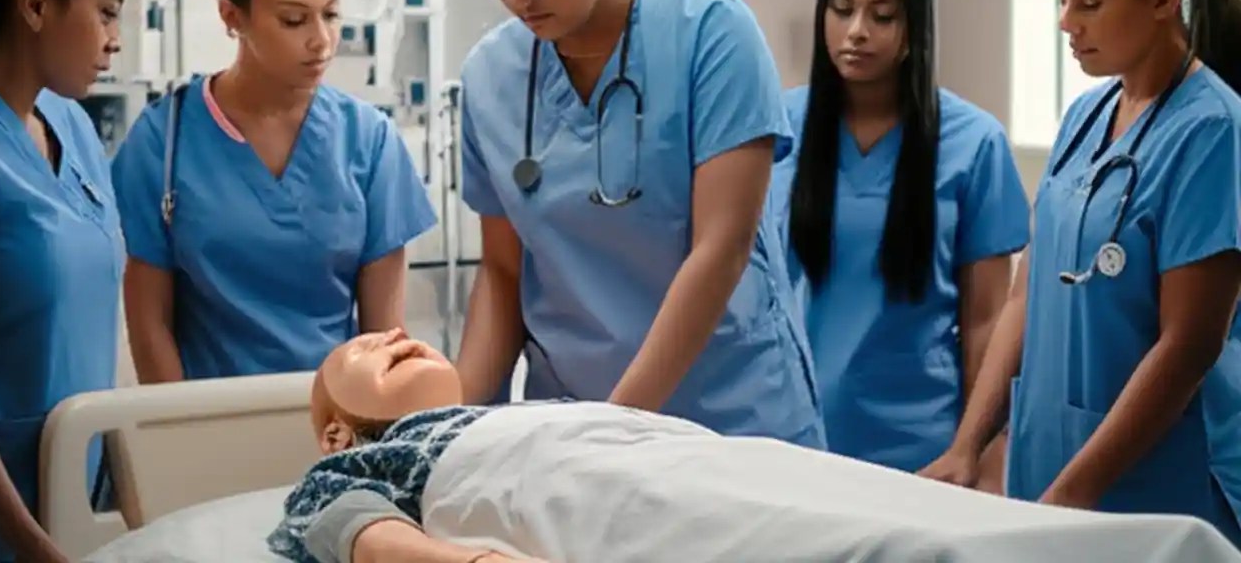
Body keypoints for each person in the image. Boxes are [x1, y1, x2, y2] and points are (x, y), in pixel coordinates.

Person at [262, 330, 1241, 563]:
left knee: (852, 496)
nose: (392, 333)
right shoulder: (361, 462)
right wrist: (453, 560)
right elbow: (335, 524)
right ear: (339, 430)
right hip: (612, 493)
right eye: (362, 348)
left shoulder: (513, 407)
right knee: (820, 538)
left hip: (685, 452)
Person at [452, 0, 823, 446]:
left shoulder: (713, 35)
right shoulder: (491, 75)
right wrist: (448, 422)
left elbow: (721, 249)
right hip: (571, 418)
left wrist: (615, 430)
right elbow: (502, 271)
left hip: (728, 413)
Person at [919, 0, 1241, 545]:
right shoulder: (1085, 116)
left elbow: (1189, 345)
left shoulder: (1212, 131)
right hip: (1049, 467)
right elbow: (1026, 294)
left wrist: (1077, 489)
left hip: (1152, 487)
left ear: (1161, 0)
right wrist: (969, 445)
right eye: (1062, 0)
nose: (1068, 22)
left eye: (1089, 3)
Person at [110, 0, 436, 383]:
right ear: (231, 16)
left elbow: (383, 337)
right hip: (204, 420)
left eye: (331, 14)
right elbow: (149, 326)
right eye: (293, 19)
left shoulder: (368, 139)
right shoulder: (164, 141)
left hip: (336, 420)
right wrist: (175, 442)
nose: (321, 40)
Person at [769, 0, 1030, 480]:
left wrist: (982, 453)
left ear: (915, 27)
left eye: (882, 16)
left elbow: (985, 321)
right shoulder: (777, 127)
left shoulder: (973, 142)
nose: (856, 32)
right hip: (788, 438)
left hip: (917, 449)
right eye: (841, 10)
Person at [0, 0, 127, 562]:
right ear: (35, 4)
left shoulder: (75, 127)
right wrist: (30, 546)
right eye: (106, 12)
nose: (116, 37)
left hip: (79, 500)